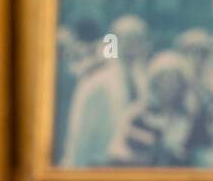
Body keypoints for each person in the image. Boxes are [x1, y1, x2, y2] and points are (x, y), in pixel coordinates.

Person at [61, 14, 151, 167]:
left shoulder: (144, 79)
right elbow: (80, 132)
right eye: (127, 39)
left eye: (138, 39)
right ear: (113, 42)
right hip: (98, 164)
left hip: (132, 165)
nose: (133, 45)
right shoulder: (97, 79)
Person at [108, 51, 196, 167]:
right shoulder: (137, 113)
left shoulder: (188, 117)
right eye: (164, 78)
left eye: (174, 79)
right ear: (154, 81)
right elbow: (115, 151)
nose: (169, 84)